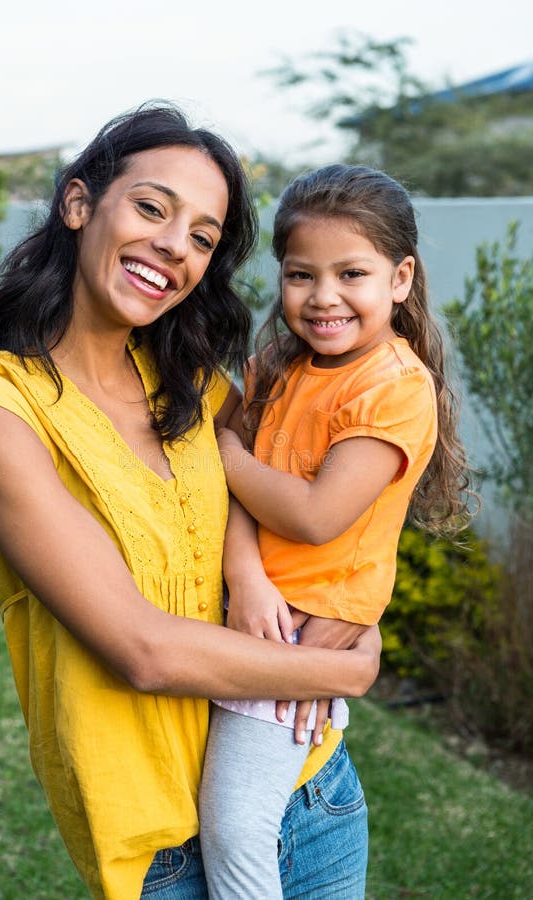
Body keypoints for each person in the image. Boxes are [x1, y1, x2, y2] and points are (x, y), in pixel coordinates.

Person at [0, 105, 382, 899]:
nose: (176, 246)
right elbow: (142, 650)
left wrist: (251, 574)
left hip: (308, 790)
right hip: (161, 844)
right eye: (151, 207)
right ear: (79, 205)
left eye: (204, 237)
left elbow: (303, 505)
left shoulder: (199, 385)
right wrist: (343, 670)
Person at [199, 163, 476, 899]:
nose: (323, 298)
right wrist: (246, 574)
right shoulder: (278, 369)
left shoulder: (391, 387)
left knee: (233, 828)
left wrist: (226, 453)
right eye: (300, 275)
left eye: (351, 272)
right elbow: (233, 499)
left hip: (303, 635)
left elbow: (316, 515)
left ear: (400, 276)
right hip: (259, 612)